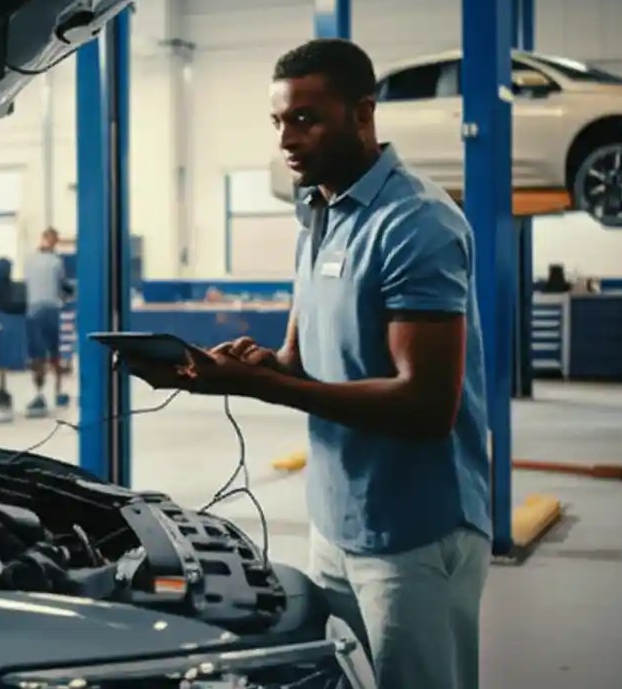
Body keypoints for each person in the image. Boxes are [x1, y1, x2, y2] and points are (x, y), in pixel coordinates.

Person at [127, 39, 491, 689]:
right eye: (278, 121)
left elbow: (426, 406)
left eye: (306, 118)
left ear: (362, 113)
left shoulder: (416, 223)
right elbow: (300, 364)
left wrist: (263, 385)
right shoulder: (317, 212)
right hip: (336, 523)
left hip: (412, 531)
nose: (287, 138)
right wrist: (253, 369)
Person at [22, 227, 71, 418]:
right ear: (53, 241)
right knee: (55, 352)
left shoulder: (29, 261)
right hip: (50, 309)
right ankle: (57, 394)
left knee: (37, 355)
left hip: (32, 311)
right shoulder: (56, 262)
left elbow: (27, 284)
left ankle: (39, 394)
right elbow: (63, 286)